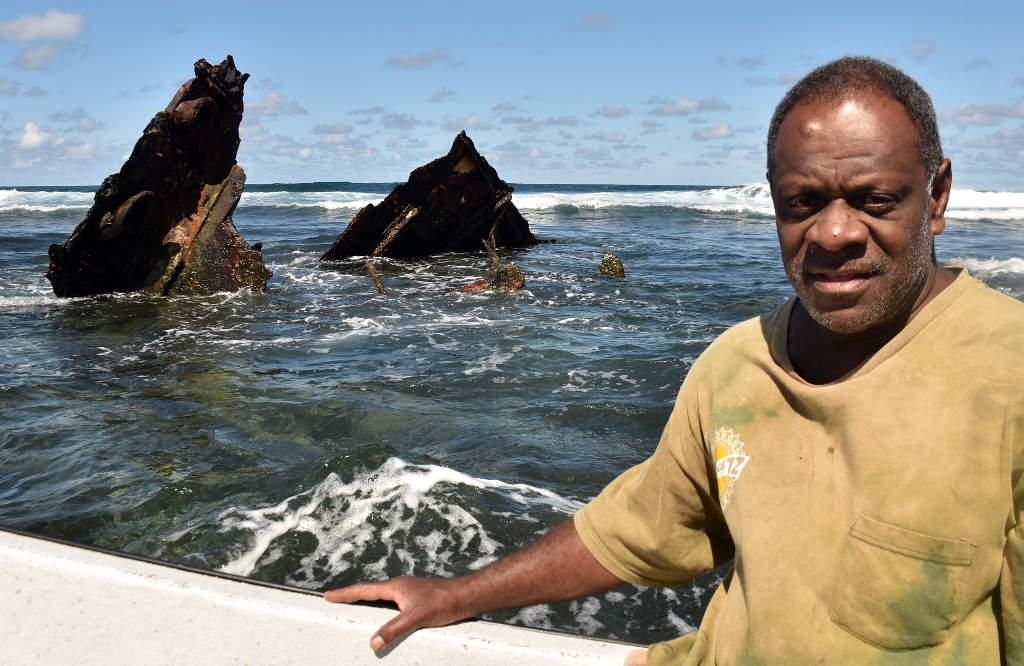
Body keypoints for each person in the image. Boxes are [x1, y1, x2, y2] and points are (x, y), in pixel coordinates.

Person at [325, 56, 1024, 664]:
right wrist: (455, 594)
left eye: (875, 199)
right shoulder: (736, 366)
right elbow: (641, 529)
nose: (835, 232)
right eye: (802, 202)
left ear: (936, 198)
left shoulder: (1008, 372)